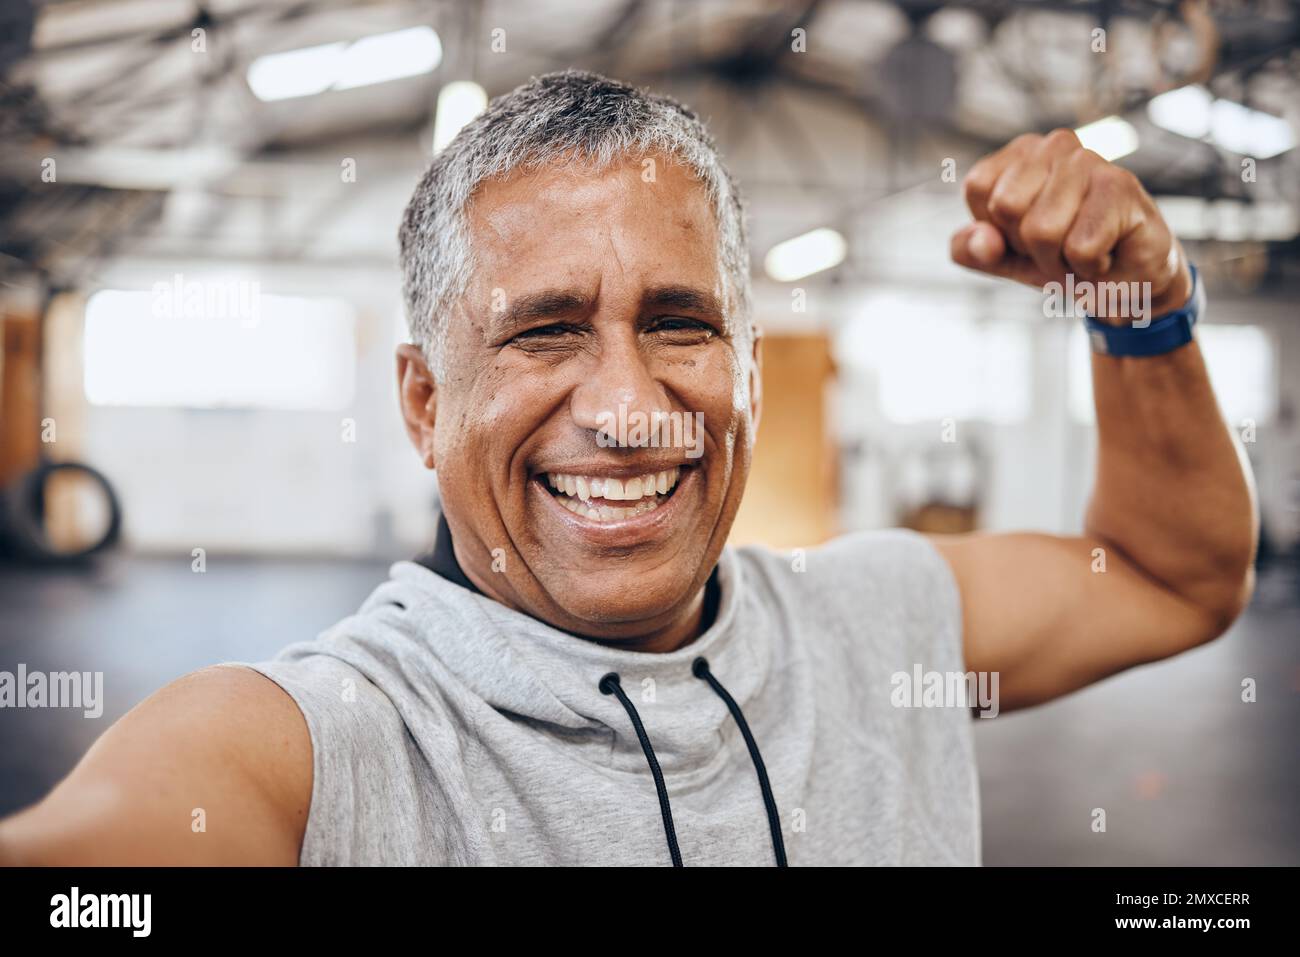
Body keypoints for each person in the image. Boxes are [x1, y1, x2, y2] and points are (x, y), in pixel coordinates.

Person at [0, 70, 1255, 866]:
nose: (627, 409)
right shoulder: (318, 745)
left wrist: (1139, 306)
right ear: (425, 403)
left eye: (678, 323)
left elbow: (1167, 573)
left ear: (748, 365)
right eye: (545, 331)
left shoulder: (878, 629)